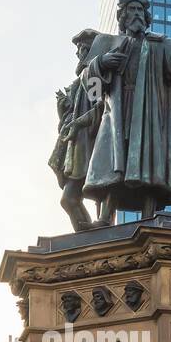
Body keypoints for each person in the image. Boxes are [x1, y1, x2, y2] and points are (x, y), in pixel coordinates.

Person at [83, 0, 171, 223]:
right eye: (131, 10)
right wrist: (100, 64)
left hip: (150, 111)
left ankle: (149, 217)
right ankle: (105, 216)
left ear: (146, 18)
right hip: (116, 110)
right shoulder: (106, 44)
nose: (136, 14)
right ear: (122, 17)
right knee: (114, 163)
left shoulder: (161, 44)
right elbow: (91, 89)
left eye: (139, 11)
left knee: (149, 161)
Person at [49, 28, 103, 231]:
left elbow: (100, 106)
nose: (78, 52)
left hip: (91, 146)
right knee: (68, 200)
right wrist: (62, 110)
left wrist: (77, 122)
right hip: (76, 147)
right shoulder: (77, 82)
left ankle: (92, 235)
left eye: (82, 47)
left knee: (71, 198)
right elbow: (64, 126)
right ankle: (88, 235)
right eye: (78, 49)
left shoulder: (94, 77)